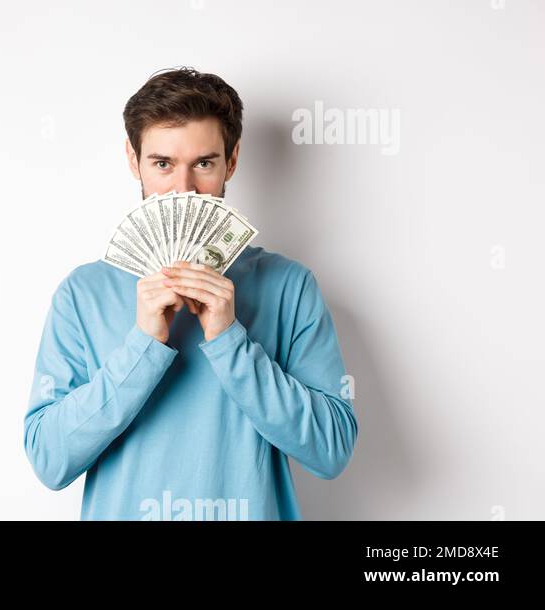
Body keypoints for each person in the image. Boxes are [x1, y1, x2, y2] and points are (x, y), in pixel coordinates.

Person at [23, 67, 357, 520]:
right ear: (132, 159)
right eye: (162, 164)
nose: (182, 189)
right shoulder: (83, 293)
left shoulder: (290, 286)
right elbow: (49, 460)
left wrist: (228, 338)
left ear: (232, 161)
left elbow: (331, 450)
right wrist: (142, 345)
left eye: (203, 163)